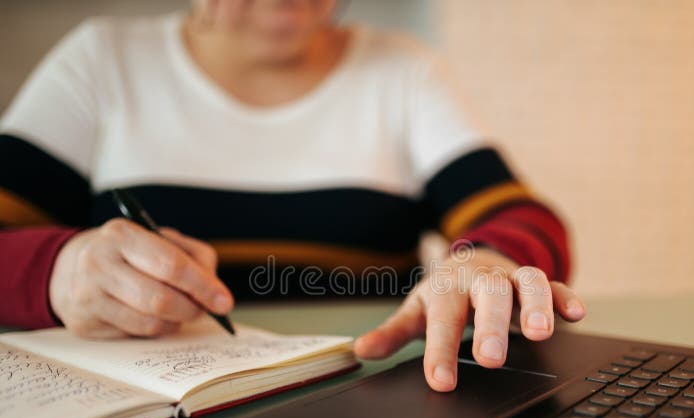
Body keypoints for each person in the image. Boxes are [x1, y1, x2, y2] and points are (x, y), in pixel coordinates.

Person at [0, 0, 585, 392]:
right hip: (144, 407)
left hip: (362, 388)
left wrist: (486, 260)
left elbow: (518, 214)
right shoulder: (102, 62)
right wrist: (56, 271)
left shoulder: (402, 72)